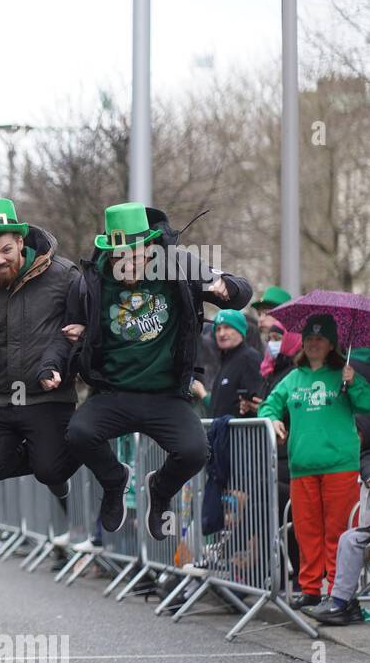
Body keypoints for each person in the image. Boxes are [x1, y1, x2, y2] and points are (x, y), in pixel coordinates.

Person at [65, 201, 252, 539]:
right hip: (114, 393)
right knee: (78, 433)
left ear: (150, 245)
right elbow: (74, 326)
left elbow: (241, 294)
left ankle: (160, 490)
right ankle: (114, 481)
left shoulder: (178, 264)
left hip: (165, 395)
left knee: (195, 451)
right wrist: (76, 338)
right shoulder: (93, 279)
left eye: (135, 254)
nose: (128, 263)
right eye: (119, 256)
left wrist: (228, 287)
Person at [0, 198, 82, 497]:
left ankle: (53, 464)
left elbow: (84, 324)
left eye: (6, 250)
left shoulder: (62, 275)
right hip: (3, 399)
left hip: (48, 395)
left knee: (51, 470)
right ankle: (44, 459)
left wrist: (75, 354)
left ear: (20, 241)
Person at [259, 315, 370, 608]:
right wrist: (271, 420)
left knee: (338, 532)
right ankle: (309, 590)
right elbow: (270, 404)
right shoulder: (293, 378)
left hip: (340, 466)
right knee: (307, 532)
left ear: (332, 343)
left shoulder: (344, 374)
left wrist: (355, 382)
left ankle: (337, 592)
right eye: (308, 338)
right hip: (302, 467)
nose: (313, 344)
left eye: (320, 339)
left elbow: (367, 403)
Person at [197, 309, 263, 418]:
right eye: (218, 329)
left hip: (242, 433)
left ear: (240, 330)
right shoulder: (225, 360)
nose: (221, 334)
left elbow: (257, 402)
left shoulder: (250, 358)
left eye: (227, 327)